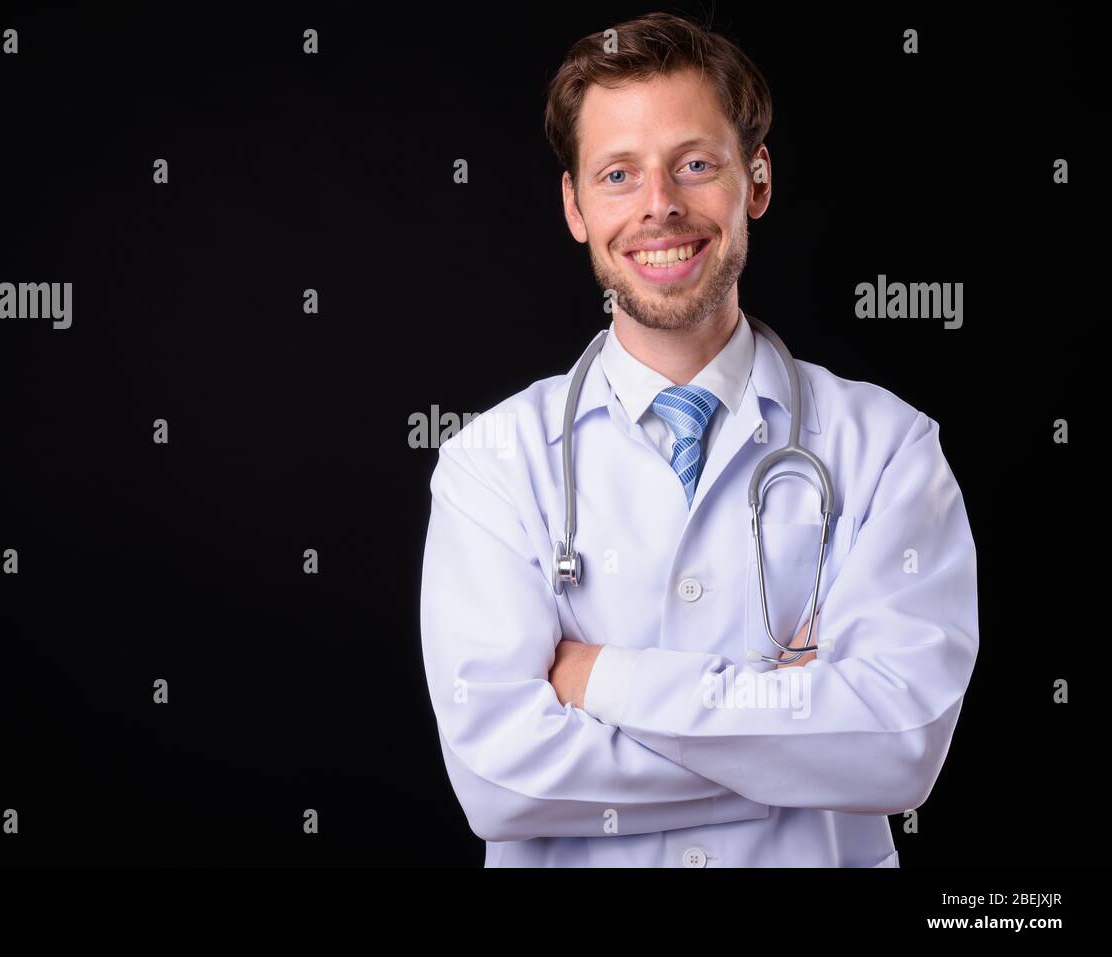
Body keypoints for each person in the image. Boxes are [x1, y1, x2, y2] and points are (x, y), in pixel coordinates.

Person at [418, 12, 978, 867]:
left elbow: (897, 744)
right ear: (574, 207)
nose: (659, 206)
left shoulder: (890, 448)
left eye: (695, 165)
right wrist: (799, 742)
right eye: (617, 174)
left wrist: (601, 678)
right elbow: (501, 779)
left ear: (755, 181)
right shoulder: (490, 463)